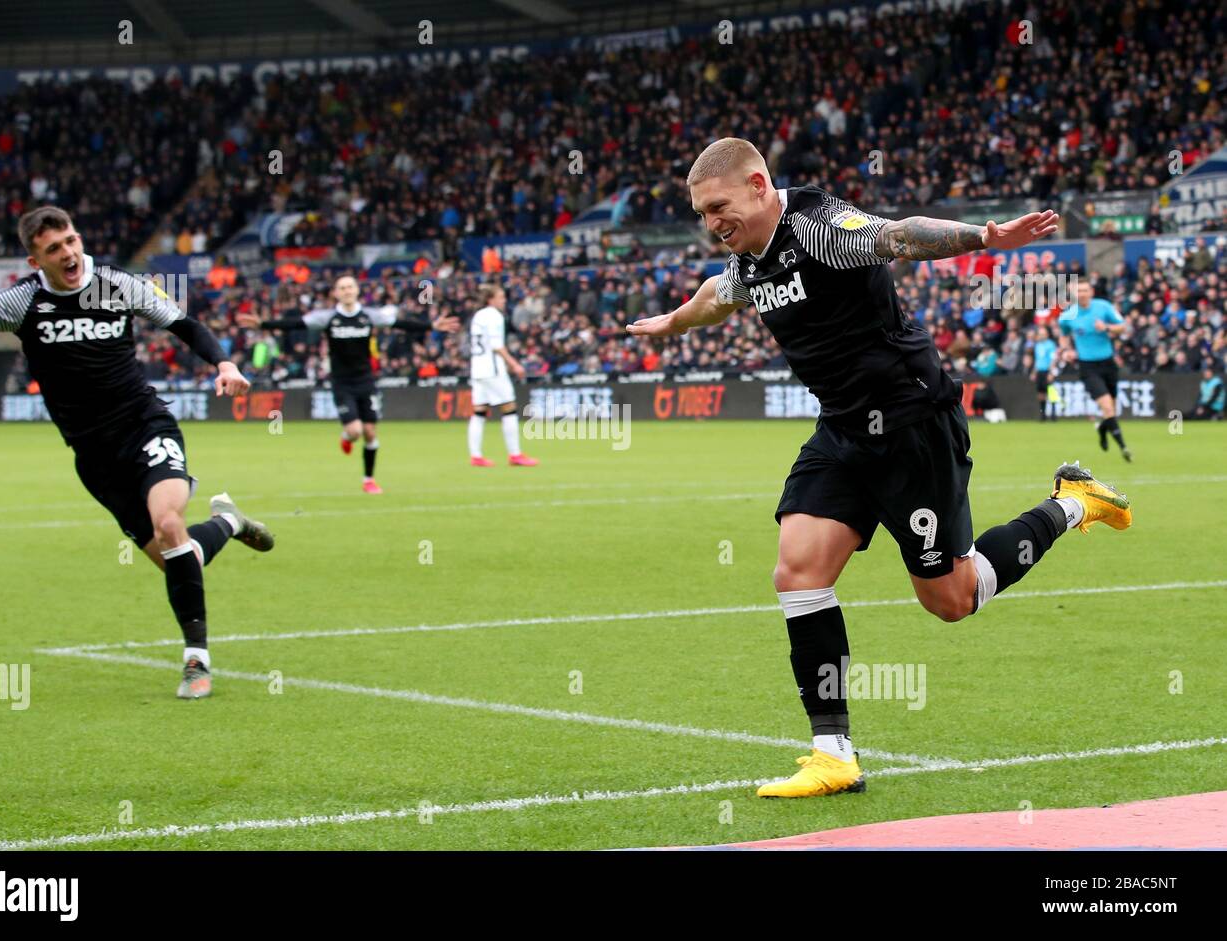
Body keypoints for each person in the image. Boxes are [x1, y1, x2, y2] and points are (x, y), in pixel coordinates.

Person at [627, 138, 1130, 798]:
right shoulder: (749, 259)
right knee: (797, 571)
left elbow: (898, 236)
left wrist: (984, 236)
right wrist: (671, 323)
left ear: (757, 185)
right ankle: (833, 754)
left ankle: (1072, 501)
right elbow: (716, 296)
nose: (711, 222)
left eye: (718, 206)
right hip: (842, 430)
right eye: (701, 213)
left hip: (912, 424)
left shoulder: (819, 228)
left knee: (951, 599)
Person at [0, 207, 275, 699]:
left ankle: (196, 661)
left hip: (145, 425)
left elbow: (186, 324)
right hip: (95, 457)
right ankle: (228, 523)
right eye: (54, 249)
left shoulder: (117, 284)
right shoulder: (21, 301)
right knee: (183, 558)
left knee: (169, 524)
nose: (69, 253)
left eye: (71, 240)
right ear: (35, 261)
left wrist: (224, 363)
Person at [239, 275, 458, 493]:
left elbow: (401, 324)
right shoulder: (327, 318)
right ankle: (346, 437)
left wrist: (431, 325)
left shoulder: (369, 316)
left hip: (365, 380)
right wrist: (263, 324)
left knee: (370, 432)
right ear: (336, 293)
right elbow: (294, 324)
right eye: (342, 288)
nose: (347, 291)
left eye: (350, 287)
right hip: (342, 382)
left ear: (356, 290)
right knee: (355, 431)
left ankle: (368, 480)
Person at [1058, 280, 1131, 460]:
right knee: (1106, 406)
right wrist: (1066, 350)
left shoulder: (1103, 307)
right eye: (1079, 291)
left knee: (1111, 410)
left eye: (1085, 290)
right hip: (1087, 366)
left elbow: (1123, 327)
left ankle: (1102, 429)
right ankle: (1123, 447)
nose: (1082, 294)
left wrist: (1106, 327)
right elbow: (1063, 336)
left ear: (1091, 292)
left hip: (1108, 363)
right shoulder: (1067, 316)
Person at [467, 283, 537, 467]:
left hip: (477, 369)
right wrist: (514, 364)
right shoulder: (494, 316)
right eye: (501, 297)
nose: (504, 301)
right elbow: (496, 346)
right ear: (491, 299)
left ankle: (476, 456)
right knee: (509, 408)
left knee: (479, 412)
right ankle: (515, 454)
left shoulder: (478, 315)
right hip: (492, 369)